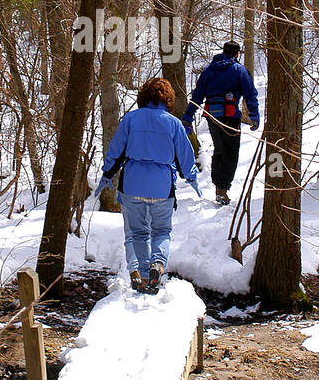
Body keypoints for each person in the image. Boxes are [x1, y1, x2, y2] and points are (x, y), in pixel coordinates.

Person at [96, 77, 201, 293]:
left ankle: (141, 275)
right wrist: (192, 178)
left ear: (143, 97)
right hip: (162, 188)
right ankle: (158, 265)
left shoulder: (131, 119)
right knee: (161, 231)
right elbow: (185, 157)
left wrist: (107, 174)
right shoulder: (174, 123)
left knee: (137, 233)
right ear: (168, 99)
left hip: (132, 185)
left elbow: (116, 151)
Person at [182, 41, 260, 206]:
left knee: (219, 150)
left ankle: (219, 186)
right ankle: (222, 190)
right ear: (237, 54)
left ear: (223, 52)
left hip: (212, 116)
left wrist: (188, 117)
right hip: (230, 118)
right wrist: (254, 115)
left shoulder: (208, 71)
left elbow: (197, 96)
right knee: (231, 153)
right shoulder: (239, 70)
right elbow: (250, 94)